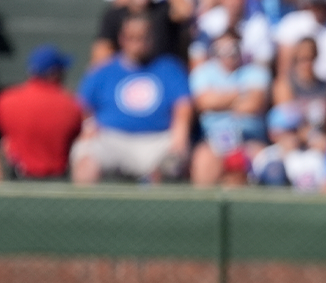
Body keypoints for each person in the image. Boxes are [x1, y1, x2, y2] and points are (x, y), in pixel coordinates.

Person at [72, 15, 193, 184]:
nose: (138, 43)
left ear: (152, 37)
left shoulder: (169, 68)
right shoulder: (103, 70)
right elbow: (83, 106)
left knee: (172, 163)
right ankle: (84, 209)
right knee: (85, 157)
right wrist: (89, 127)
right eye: (132, 38)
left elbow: (183, 107)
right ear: (122, 39)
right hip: (112, 139)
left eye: (143, 37)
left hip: (158, 140)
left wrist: (179, 137)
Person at [190, 31, 273, 186]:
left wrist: (218, 101)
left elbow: (254, 104)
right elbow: (204, 103)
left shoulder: (256, 72)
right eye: (222, 49)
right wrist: (239, 94)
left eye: (233, 48)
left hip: (249, 140)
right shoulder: (203, 72)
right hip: (212, 141)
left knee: (270, 166)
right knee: (203, 161)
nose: (228, 53)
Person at [0, 46, 82, 180]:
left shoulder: (7, 100)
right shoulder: (71, 104)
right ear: (55, 73)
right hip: (57, 184)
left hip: (16, 183)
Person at [251, 103, 326, 190]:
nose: (292, 136)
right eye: (287, 130)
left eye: (295, 130)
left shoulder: (314, 156)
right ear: (273, 134)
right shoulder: (265, 157)